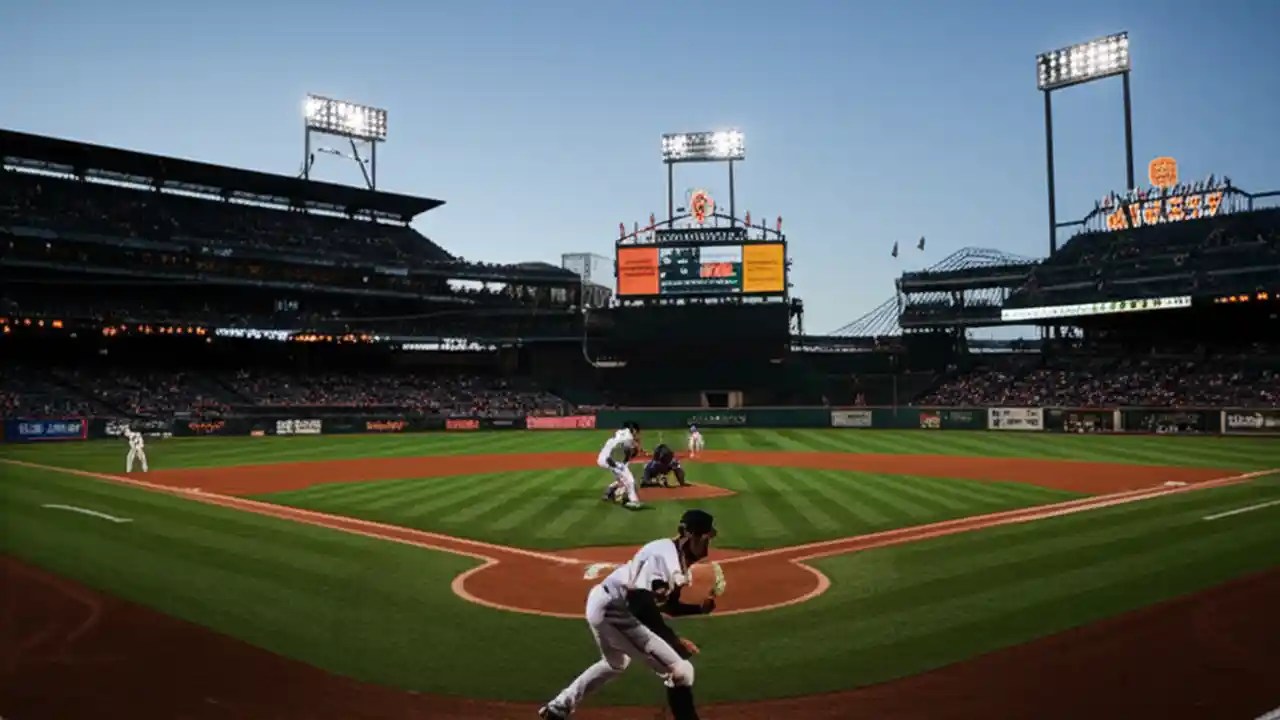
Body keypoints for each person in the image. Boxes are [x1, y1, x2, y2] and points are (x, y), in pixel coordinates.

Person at [538, 509, 718, 720]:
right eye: (706, 538)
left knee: (615, 664)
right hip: (616, 610)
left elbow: (666, 605)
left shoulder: (679, 562)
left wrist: (698, 609)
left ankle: (559, 707)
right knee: (681, 670)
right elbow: (640, 604)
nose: (708, 544)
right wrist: (674, 641)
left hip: (605, 604)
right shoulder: (663, 556)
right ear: (691, 535)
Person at [599, 421, 642, 509]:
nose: (636, 433)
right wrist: (635, 447)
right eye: (636, 431)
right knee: (630, 481)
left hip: (606, 457)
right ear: (633, 430)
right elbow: (628, 452)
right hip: (611, 460)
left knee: (624, 479)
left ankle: (610, 493)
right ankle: (633, 501)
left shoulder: (620, 433)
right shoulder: (629, 437)